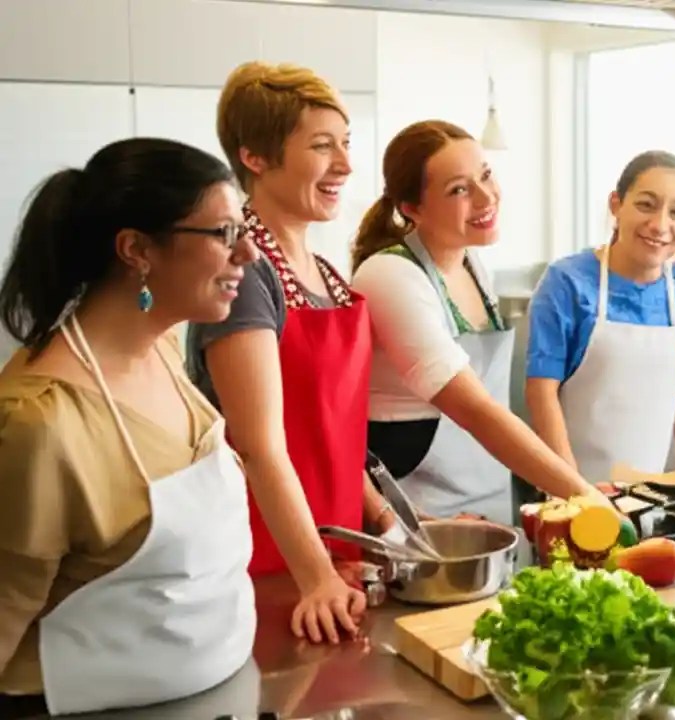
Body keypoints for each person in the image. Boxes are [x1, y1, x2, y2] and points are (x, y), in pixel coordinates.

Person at [0, 138, 260, 717]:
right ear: (137, 249)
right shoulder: (40, 420)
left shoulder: (163, 348)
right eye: (223, 235)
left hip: (219, 692)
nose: (249, 255)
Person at [186, 61, 386, 644]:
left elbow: (331, 434)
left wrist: (387, 519)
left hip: (330, 557)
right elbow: (258, 445)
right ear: (255, 157)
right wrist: (316, 577)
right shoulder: (249, 273)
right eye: (322, 146)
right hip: (268, 565)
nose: (346, 165)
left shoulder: (325, 273)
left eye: (345, 144)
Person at [349, 120, 606, 523]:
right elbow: (476, 410)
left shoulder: (471, 265)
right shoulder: (391, 276)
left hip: (488, 510)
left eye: (486, 175)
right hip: (420, 520)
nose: (486, 197)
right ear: (411, 208)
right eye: (459, 190)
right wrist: (583, 495)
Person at [525, 150, 675, 481]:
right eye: (646, 205)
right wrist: (573, 489)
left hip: (654, 494)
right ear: (616, 204)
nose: (660, 225)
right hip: (574, 488)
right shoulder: (567, 280)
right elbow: (541, 391)